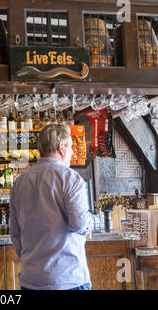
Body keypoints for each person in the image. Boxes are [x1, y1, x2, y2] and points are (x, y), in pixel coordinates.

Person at [9, 123, 93, 290]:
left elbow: (15, 231)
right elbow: (80, 224)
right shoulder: (70, 178)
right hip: (67, 278)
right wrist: (90, 221)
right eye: (71, 147)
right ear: (61, 148)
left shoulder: (20, 181)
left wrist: (31, 259)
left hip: (31, 279)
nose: (72, 152)